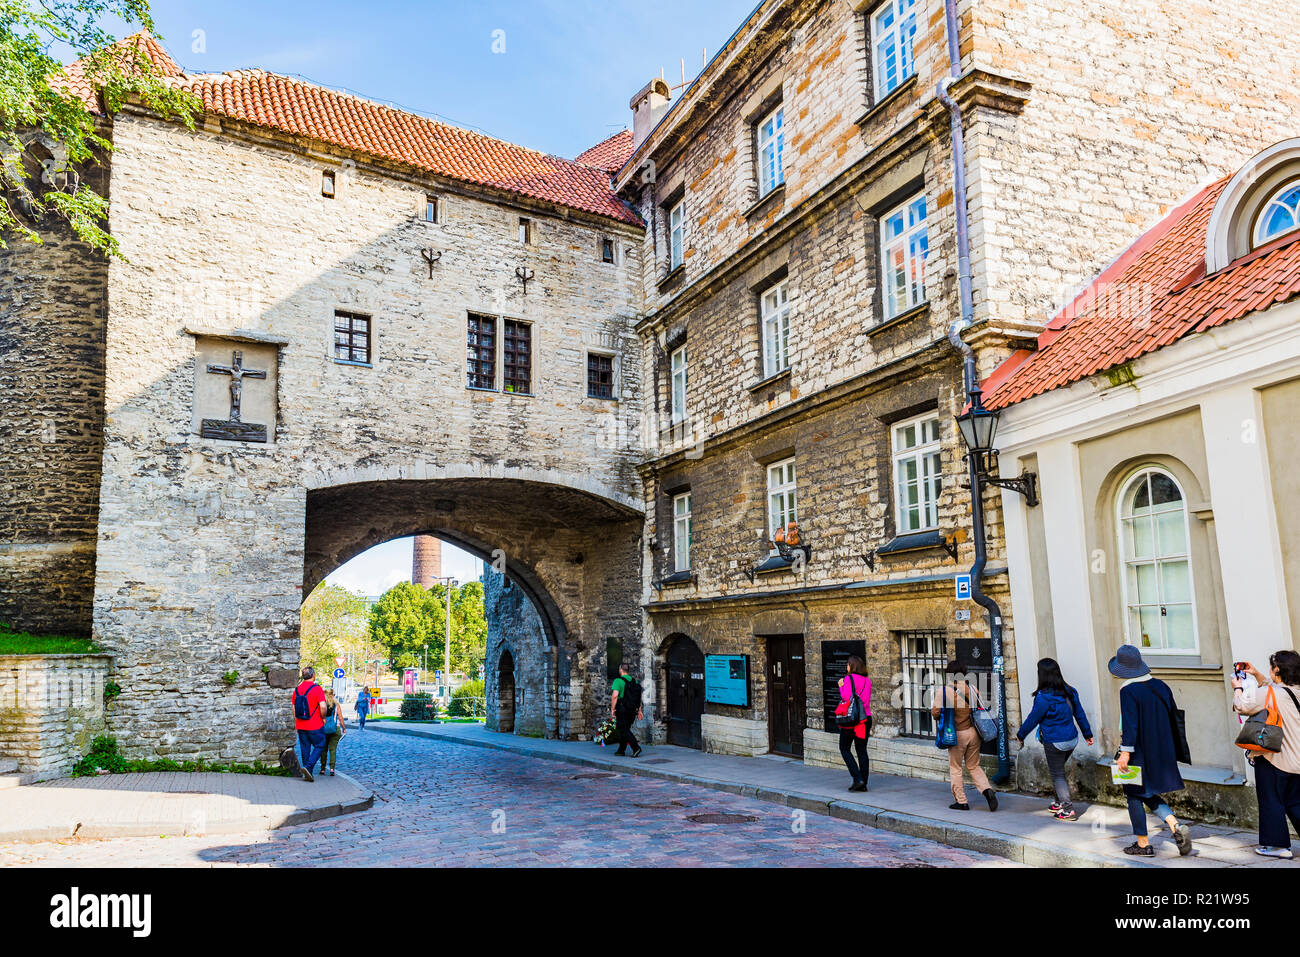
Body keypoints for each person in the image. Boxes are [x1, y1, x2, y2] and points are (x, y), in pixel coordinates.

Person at [1111, 644, 1193, 857]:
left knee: (1133, 795)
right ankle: (1175, 825)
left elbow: (1130, 724)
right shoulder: (1161, 686)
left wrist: (1125, 752)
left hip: (1138, 750)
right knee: (1146, 792)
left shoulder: (1128, 690)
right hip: (1162, 749)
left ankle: (1142, 844)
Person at [1233, 651, 1300, 859]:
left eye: (1271, 667)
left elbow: (1241, 705)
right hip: (1297, 759)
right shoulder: (1295, 690)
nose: (1269, 671)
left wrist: (1238, 688)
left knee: (1271, 800)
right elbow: (1273, 692)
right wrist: (1258, 675)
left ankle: (1276, 846)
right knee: (1295, 802)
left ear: (1277, 670)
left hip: (1276, 757)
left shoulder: (1272, 694)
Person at [1015, 658, 1094, 821]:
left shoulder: (1043, 697)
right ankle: (1059, 802)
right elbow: (1079, 713)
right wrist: (1087, 734)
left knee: (1057, 774)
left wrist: (1020, 735)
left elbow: (1033, 719)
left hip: (1055, 742)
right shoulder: (1070, 691)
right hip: (1072, 740)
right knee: (1059, 770)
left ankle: (1067, 809)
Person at [931, 662, 998, 812]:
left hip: (957, 734)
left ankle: (961, 801)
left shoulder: (945, 691)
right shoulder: (972, 688)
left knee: (955, 768)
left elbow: (935, 712)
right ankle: (987, 790)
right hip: (974, 733)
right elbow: (981, 706)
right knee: (973, 765)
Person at [835, 655, 872, 792]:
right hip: (865, 718)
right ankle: (863, 783)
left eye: (848, 664)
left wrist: (841, 686)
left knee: (844, 748)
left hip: (852, 720)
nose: (847, 667)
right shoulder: (867, 681)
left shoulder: (848, 679)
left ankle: (857, 778)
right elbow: (866, 700)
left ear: (852, 666)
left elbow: (846, 698)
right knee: (861, 750)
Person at [293, 667, 328, 783]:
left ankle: (308, 773)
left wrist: (296, 723)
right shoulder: (317, 689)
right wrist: (323, 718)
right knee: (320, 745)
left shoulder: (297, 690)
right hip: (315, 724)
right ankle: (308, 767)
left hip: (301, 724)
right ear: (313, 675)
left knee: (305, 747)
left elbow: (294, 709)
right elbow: (323, 706)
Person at [610, 664, 643, 758]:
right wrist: (639, 711)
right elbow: (638, 698)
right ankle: (621, 750)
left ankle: (636, 747)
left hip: (622, 709)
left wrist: (612, 709)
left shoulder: (618, 680)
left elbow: (615, 696)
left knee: (623, 729)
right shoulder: (634, 681)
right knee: (625, 729)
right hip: (632, 710)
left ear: (621, 670)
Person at [320, 689, 346, 777]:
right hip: (335, 729)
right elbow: (341, 718)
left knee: (323, 750)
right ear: (332, 695)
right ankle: (332, 769)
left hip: (323, 729)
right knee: (333, 749)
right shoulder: (336, 705)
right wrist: (344, 728)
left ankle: (322, 769)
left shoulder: (322, 705)